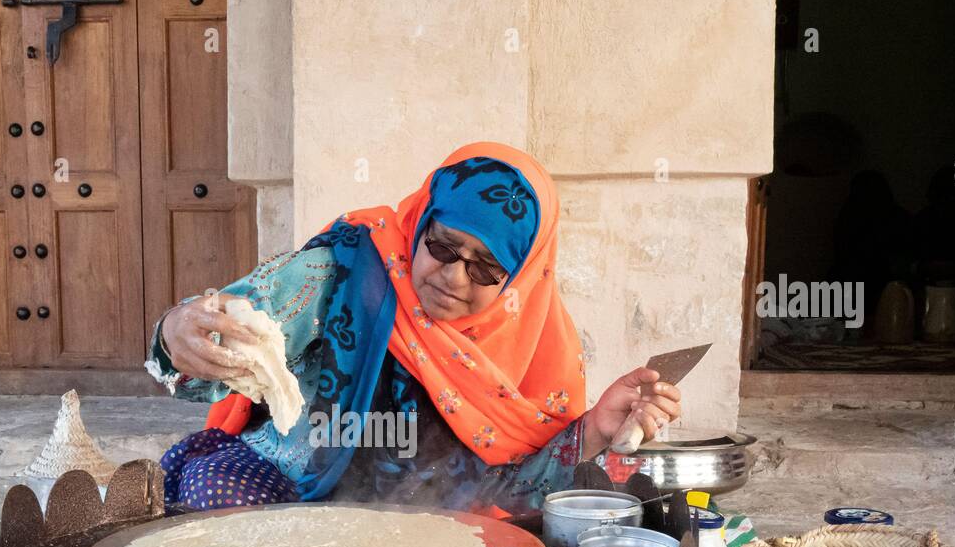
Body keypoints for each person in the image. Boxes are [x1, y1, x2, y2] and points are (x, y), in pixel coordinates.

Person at [147, 142, 682, 515]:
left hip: (424, 516)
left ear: (519, 278)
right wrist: (181, 332)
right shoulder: (346, 270)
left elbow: (514, 487)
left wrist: (595, 432)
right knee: (215, 495)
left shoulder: (536, 347)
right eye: (443, 246)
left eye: (485, 269)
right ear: (421, 220)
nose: (452, 276)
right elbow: (233, 329)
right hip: (292, 484)